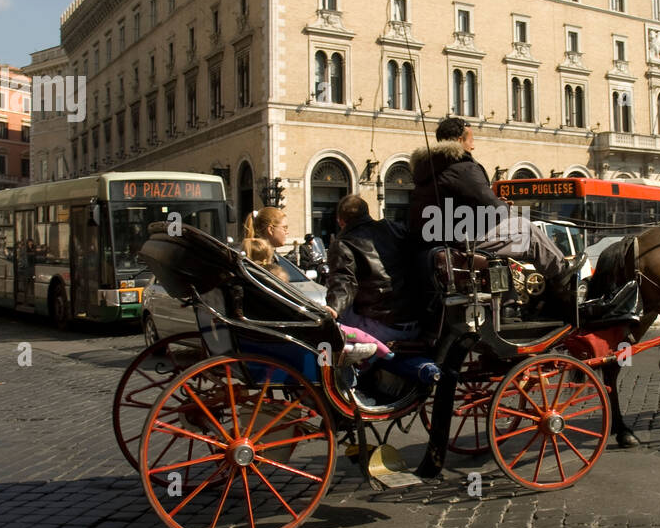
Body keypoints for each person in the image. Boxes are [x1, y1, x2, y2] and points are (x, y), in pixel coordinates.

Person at [408, 117, 583, 308]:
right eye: (471, 140)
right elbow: (493, 208)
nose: (473, 147)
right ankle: (562, 274)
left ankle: (508, 304)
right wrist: (503, 206)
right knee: (526, 231)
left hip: (436, 240)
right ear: (459, 140)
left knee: (502, 248)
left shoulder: (429, 168)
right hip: (458, 241)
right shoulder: (460, 166)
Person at [247, 234, 383, 364]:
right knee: (323, 326)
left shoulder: (251, 279)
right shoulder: (269, 276)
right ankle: (339, 355)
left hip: (264, 334)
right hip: (280, 333)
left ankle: (346, 349)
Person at [324, 194, 418, 345]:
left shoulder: (343, 243)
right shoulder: (393, 228)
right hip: (414, 319)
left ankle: (348, 367)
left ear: (340, 221)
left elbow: (343, 280)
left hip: (382, 326)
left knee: (336, 327)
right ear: (367, 214)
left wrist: (333, 307)